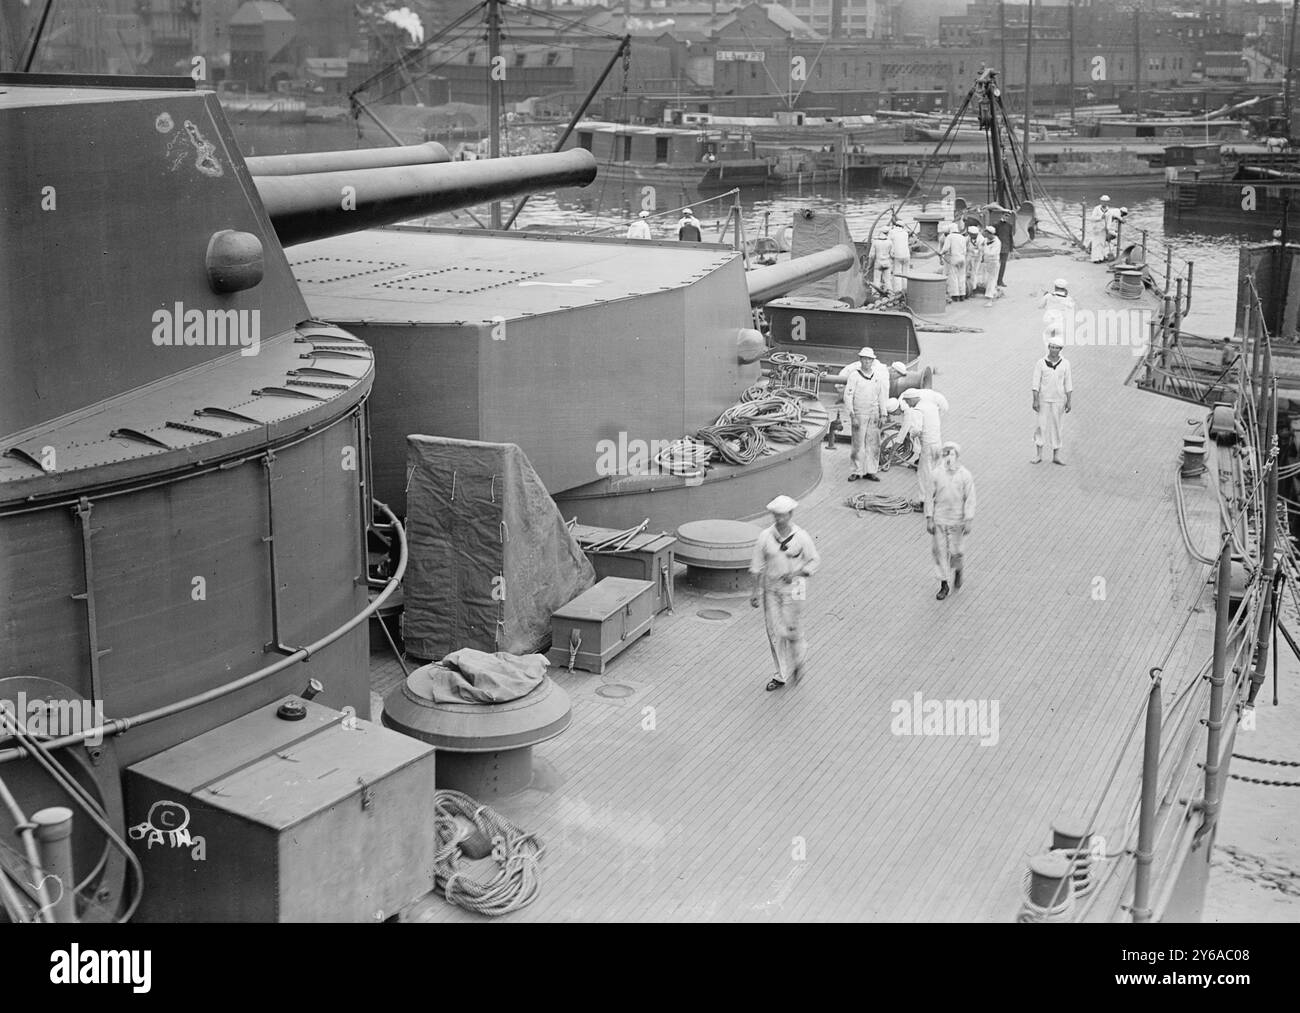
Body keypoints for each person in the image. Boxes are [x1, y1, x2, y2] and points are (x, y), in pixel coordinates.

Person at [749, 495, 821, 692]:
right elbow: (756, 565)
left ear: (790, 514)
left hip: (795, 588)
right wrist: (755, 591)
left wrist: (797, 573)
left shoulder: (801, 537)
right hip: (771, 589)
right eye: (776, 516)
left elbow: (814, 560)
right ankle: (780, 675)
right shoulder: (765, 536)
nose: (779, 519)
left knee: (792, 629)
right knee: (774, 631)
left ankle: (799, 658)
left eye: (783, 515)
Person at [926, 442, 976, 601]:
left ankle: (958, 569)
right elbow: (928, 497)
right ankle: (944, 584)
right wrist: (929, 518)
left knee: (956, 551)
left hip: (957, 520)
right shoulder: (936, 474)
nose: (948, 457)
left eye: (951, 454)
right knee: (939, 551)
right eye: (945, 453)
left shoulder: (965, 476)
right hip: (940, 519)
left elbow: (970, 499)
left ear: (957, 456)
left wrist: (968, 519)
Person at [842, 346, 891, 482]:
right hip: (859, 413)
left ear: (872, 361)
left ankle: (871, 471)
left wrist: (883, 414)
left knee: (874, 444)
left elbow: (882, 396)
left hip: (874, 414)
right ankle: (857, 471)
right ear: (860, 360)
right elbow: (848, 396)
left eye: (869, 360)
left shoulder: (878, 376)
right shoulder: (854, 376)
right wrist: (852, 415)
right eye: (864, 359)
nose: (867, 362)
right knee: (858, 444)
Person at [1032, 332, 1073, 465]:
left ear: (1060, 350)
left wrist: (1069, 400)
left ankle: (1056, 455)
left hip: (1059, 399)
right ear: (1048, 347)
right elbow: (1035, 383)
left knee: (1057, 426)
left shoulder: (1065, 364)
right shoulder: (1041, 363)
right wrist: (1035, 399)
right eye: (1052, 347)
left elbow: (1068, 383)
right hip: (1044, 399)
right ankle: (1039, 454)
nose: (1054, 350)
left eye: (1056, 348)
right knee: (1041, 426)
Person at [900, 388, 942, 501]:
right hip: (938, 443)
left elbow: (917, 430)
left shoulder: (918, 410)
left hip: (927, 446)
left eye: (908, 402)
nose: (908, 405)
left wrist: (911, 435)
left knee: (924, 474)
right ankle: (936, 498)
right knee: (936, 471)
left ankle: (924, 501)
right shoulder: (931, 406)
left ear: (912, 399)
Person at [1038, 278, 1076, 349]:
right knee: (1058, 341)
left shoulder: (1049, 296)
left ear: (1055, 287)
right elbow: (1071, 306)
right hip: (1060, 322)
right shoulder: (1068, 298)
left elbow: (1040, 306)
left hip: (1048, 320)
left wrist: (1046, 296)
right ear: (1064, 288)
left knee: (1049, 339)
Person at [939, 224, 968, 301]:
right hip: (962, 258)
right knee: (961, 276)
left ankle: (955, 295)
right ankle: (962, 294)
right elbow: (965, 250)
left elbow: (946, 248)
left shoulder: (950, 237)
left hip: (954, 258)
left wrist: (941, 253)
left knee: (953, 276)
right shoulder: (962, 237)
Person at [888, 218, 912, 293]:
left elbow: (889, 243)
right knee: (906, 273)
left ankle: (897, 291)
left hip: (898, 256)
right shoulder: (905, 233)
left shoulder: (892, 232)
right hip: (907, 255)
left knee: (897, 273)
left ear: (895, 225)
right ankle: (906, 288)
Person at [980, 226, 1001, 305]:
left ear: (990, 234)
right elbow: (981, 247)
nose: (984, 234)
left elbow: (992, 253)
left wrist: (985, 250)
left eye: (986, 233)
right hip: (987, 262)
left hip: (993, 262)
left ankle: (990, 298)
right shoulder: (986, 240)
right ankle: (994, 292)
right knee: (988, 279)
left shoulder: (997, 242)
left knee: (991, 280)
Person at [993, 211, 1014, 289]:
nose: (1006, 217)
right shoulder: (996, 225)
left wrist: (1011, 249)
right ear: (1001, 215)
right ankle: (994, 281)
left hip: (1006, 248)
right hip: (997, 248)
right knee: (995, 265)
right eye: (1005, 215)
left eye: (1008, 216)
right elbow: (993, 237)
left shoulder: (1009, 226)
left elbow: (1010, 237)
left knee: (1003, 265)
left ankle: (1000, 281)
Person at [1089, 195, 1111, 263]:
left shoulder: (1109, 210)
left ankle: (1100, 257)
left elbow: (1109, 220)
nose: (1105, 203)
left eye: (1106, 202)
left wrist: (1108, 228)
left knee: (1102, 243)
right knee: (1096, 243)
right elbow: (1092, 218)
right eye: (1103, 201)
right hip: (1096, 229)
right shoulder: (1096, 208)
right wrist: (1100, 217)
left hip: (1103, 229)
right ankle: (1095, 258)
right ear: (1101, 201)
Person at [965, 224, 984, 297]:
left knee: (974, 272)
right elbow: (965, 245)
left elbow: (982, 249)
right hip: (969, 255)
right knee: (965, 270)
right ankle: (965, 286)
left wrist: (981, 256)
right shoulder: (968, 238)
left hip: (977, 257)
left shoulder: (981, 239)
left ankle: (973, 288)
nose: (971, 236)